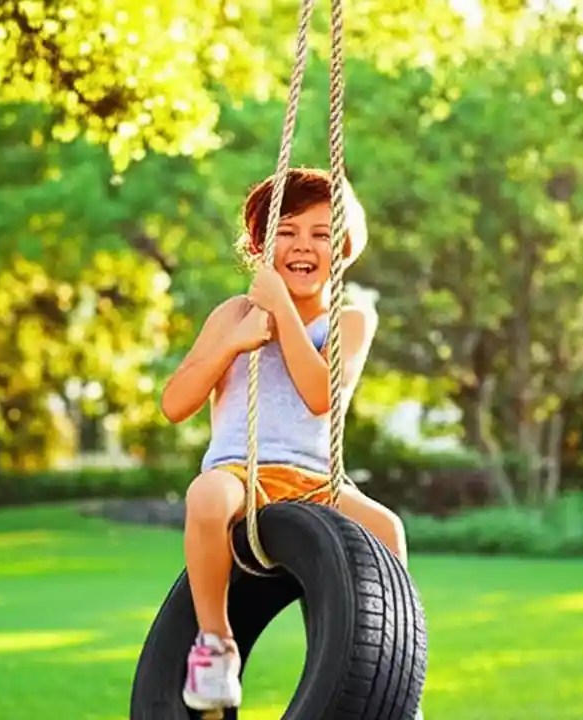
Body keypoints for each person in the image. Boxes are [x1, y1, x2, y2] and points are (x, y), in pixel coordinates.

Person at [159, 167, 409, 713]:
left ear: (342, 249)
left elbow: (321, 395)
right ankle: (215, 645)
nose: (303, 245)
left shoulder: (350, 321)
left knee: (387, 529)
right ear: (258, 246)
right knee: (205, 497)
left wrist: (282, 314)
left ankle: (394, 679)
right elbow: (175, 402)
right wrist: (234, 342)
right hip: (242, 473)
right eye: (288, 231)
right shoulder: (232, 313)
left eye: (321, 234)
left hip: (317, 480)